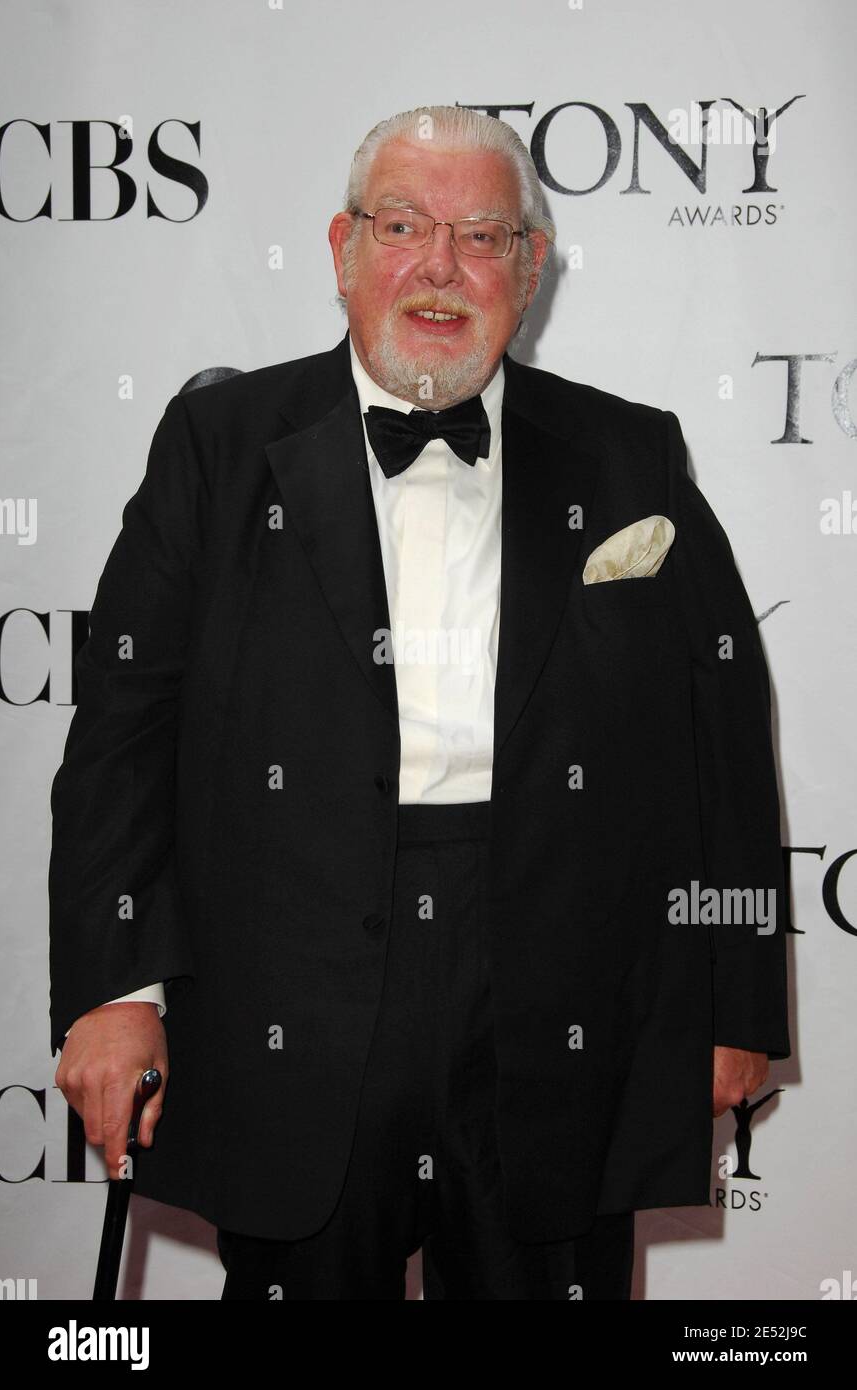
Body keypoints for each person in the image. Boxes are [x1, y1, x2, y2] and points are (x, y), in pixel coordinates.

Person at [49, 104, 790, 1301]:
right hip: (285, 979)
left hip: (559, 987)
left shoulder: (630, 455)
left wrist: (731, 1000)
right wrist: (113, 989)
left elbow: (722, 742)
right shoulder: (218, 444)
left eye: (482, 235)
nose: (438, 266)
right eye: (402, 226)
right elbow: (123, 736)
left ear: (530, 270)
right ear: (342, 249)